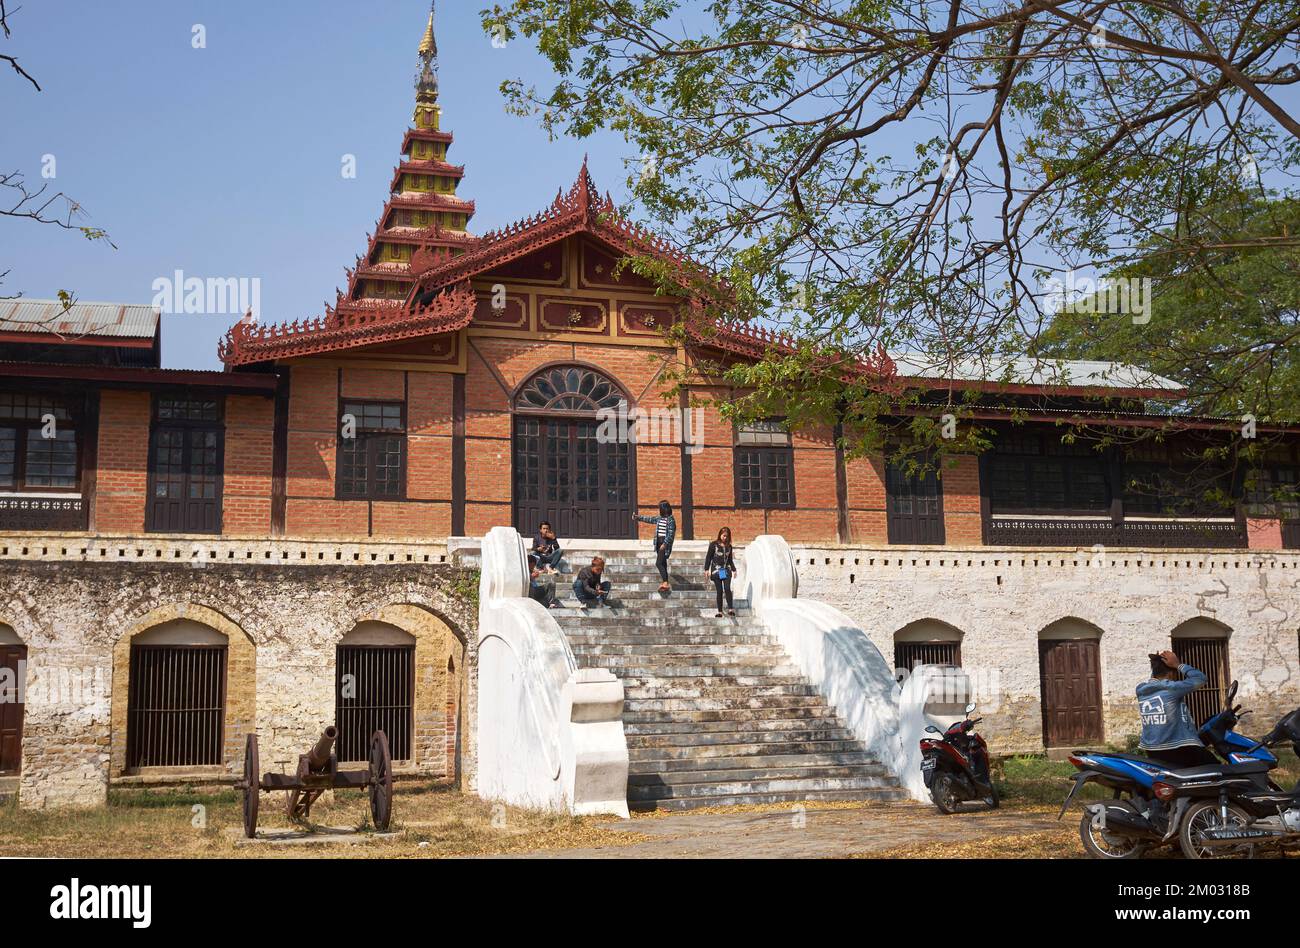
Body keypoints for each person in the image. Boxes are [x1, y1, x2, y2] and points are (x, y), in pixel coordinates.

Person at [1137, 650, 1216, 767]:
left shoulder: (1141, 690)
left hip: (1151, 748)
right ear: (1170, 674)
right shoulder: (1171, 688)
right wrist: (1178, 664)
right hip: (1176, 746)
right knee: (1215, 767)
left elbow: (1155, 679)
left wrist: (1157, 664)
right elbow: (1201, 679)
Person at [634, 500, 676, 594]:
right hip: (658, 542)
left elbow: (671, 534)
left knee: (658, 563)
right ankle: (665, 583)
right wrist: (638, 518)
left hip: (664, 544)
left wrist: (665, 544)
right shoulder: (660, 518)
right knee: (663, 563)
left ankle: (665, 582)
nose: (659, 510)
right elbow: (650, 519)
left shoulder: (671, 519)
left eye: (660, 508)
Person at [704, 526, 737, 617]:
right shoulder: (713, 545)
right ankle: (720, 611)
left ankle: (730, 609)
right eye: (723, 536)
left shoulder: (729, 547)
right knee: (719, 591)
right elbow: (708, 557)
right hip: (716, 571)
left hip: (725, 570)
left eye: (727, 536)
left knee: (727, 588)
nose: (725, 538)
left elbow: (730, 560)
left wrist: (734, 570)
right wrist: (706, 569)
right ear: (720, 535)